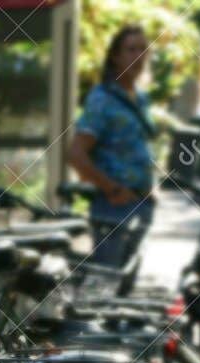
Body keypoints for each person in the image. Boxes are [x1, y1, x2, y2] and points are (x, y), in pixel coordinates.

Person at [68, 26, 156, 267]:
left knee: (126, 287)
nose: (138, 56)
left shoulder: (140, 98)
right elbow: (76, 154)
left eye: (143, 49)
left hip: (140, 205)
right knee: (107, 286)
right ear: (115, 56)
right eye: (131, 50)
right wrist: (112, 188)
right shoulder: (102, 98)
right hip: (113, 208)